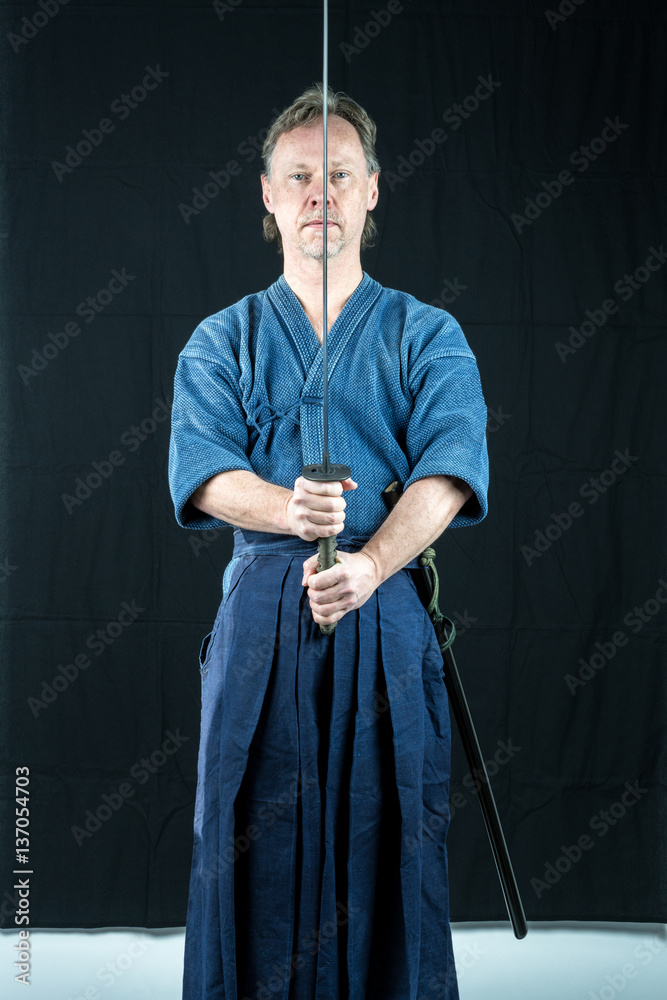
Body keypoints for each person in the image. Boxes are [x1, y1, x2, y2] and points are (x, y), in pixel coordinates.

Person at [168, 82, 489, 1000]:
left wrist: (373, 561)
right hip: (261, 622)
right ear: (266, 196)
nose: (320, 193)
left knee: (390, 834)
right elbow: (202, 470)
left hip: (383, 613)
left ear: (373, 190)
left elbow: (451, 467)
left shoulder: (426, 334)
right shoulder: (220, 340)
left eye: (339, 174)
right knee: (247, 840)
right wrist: (287, 509)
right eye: (299, 175)